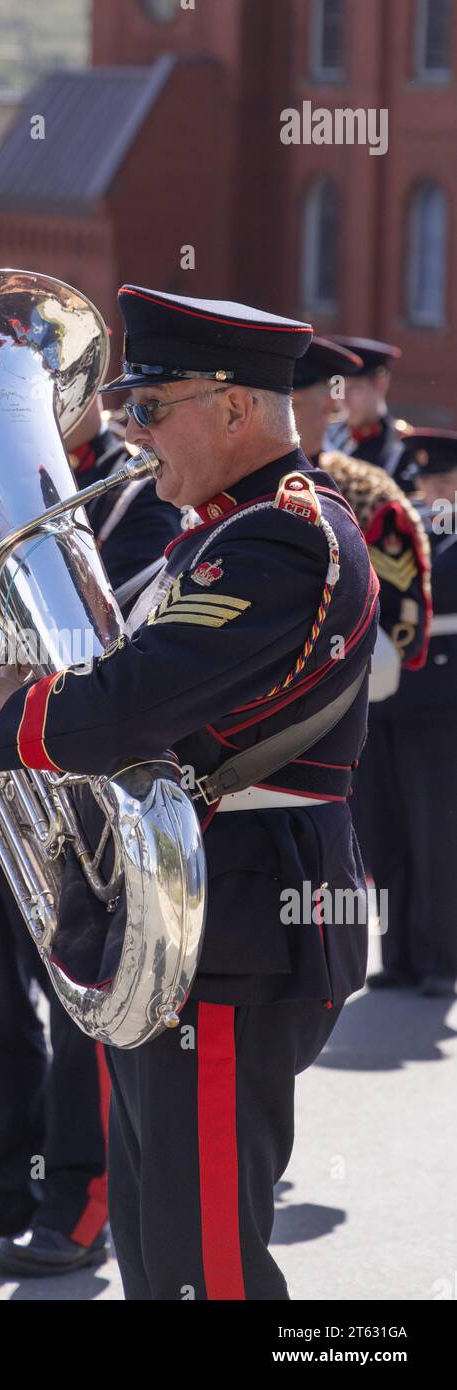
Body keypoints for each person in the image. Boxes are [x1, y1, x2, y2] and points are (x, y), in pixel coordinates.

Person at [0, 286, 379, 1300]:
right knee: (157, 1256)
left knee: (205, 1269)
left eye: (152, 408)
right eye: (127, 413)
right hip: (183, 923)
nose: (133, 436)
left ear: (235, 408)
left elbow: (128, 705)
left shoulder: (281, 535)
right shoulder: (208, 538)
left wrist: (3, 713)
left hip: (233, 928)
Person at [0, 396, 181, 1277]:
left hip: (74, 796)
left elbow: (114, 633)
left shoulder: (141, 496)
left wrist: (10, 633)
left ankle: (79, 1197)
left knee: (80, 1004)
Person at [291, 337, 432, 884]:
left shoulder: (368, 490)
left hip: (339, 697)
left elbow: (403, 608)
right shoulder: (222, 484)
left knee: (354, 837)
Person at [358, 430, 457, 996]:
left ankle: (441, 959)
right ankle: (398, 955)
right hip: (388, 703)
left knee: (436, 836)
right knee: (386, 831)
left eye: (444, 481)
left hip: (442, 709)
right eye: (425, 482)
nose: (433, 493)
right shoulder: (401, 539)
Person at [326, 335, 416, 491]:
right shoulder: (325, 437)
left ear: (381, 383)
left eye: (352, 389)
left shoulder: (402, 449)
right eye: (337, 389)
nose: (343, 400)